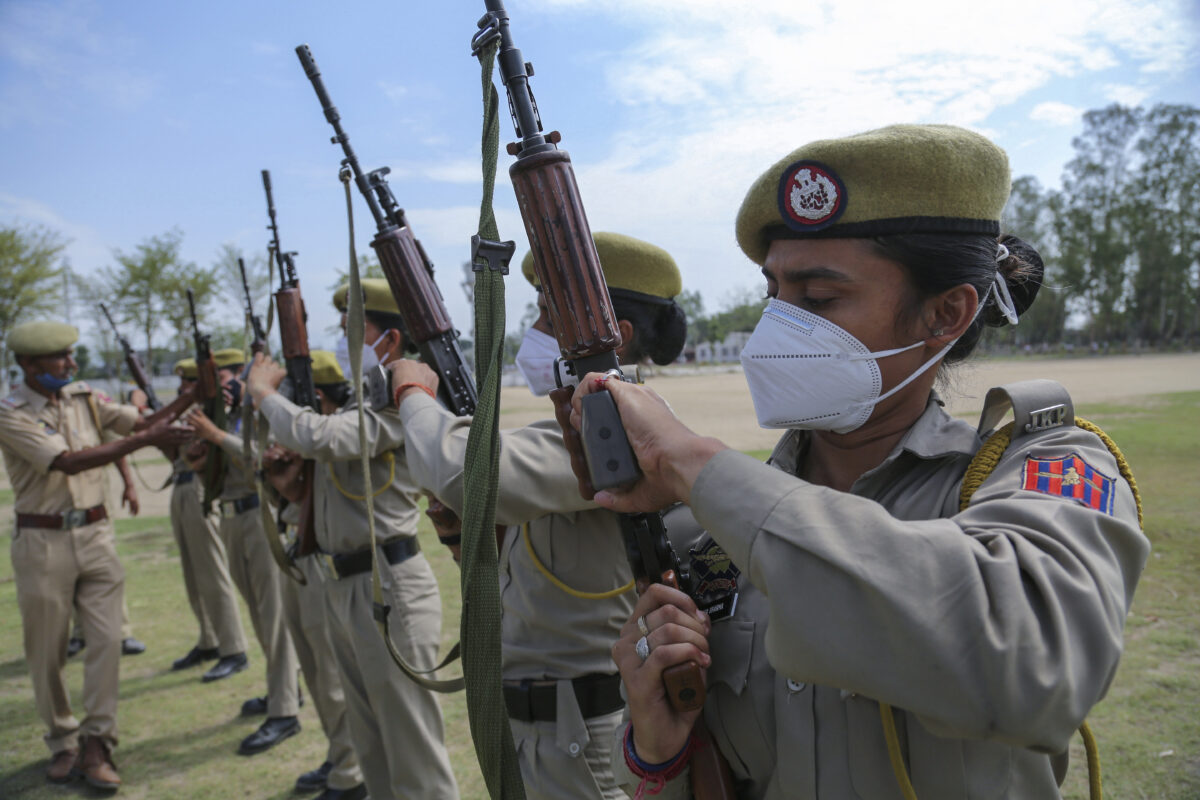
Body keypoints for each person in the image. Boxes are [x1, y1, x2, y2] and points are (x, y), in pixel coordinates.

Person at [560, 126, 1151, 798]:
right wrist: (654, 750)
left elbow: (1035, 667)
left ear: (946, 313)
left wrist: (693, 462)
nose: (777, 328)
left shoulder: (1038, 470)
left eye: (817, 299)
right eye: (773, 295)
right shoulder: (709, 540)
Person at [388, 232, 688, 800]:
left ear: (615, 337)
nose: (536, 332)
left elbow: (460, 470)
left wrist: (412, 389)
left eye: (550, 315)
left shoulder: (621, 434)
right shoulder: (573, 435)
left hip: (586, 740)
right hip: (544, 732)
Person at [245, 281, 459, 800]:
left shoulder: (401, 398)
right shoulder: (357, 403)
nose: (342, 339)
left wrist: (264, 394)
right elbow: (333, 489)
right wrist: (288, 488)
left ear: (389, 340)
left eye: (351, 330)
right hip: (344, 585)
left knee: (412, 751)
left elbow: (323, 439)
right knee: (372, 747)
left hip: (388, 585)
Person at [0, 320, 194, 790]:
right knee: (46, 654)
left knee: (107, 641)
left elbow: (145, 422)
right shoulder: (10, 412)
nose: (71, 363)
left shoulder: (83, 397)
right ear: (28, 364)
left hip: (96, 533)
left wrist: (191, 394)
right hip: (43, 543)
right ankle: (63, 741)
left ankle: (97, 743)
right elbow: (66, 460)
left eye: (72, 354)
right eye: (60, 357)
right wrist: (145, 442)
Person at [261, 350, 366, 800]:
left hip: (337, 568)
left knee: (332, 676)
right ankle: (340, 756)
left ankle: (349, 766)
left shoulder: (340, 432)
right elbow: (301, 496)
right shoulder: (318, 437)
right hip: (305, 556)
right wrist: (284, 480)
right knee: (317, 672)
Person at [186, 348, 301, 756]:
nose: (220, 390)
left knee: (273, 618)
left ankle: (285, 710)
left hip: (259, 517)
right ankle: (283, 689)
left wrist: (216, 436)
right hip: (232, 517)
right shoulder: (225, 416)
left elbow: (262, 458)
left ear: (241, 376)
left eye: (224, 380)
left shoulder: (260, 412)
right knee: (257, 612)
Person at [164, 358, 249, 679]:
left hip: (204, 489)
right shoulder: (196, 412)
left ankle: (233, 646)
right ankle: (209, 638)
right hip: (182, 486)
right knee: (193, 573)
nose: (187, 388)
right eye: (185, 383)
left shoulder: (226, 412)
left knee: (213, 572)